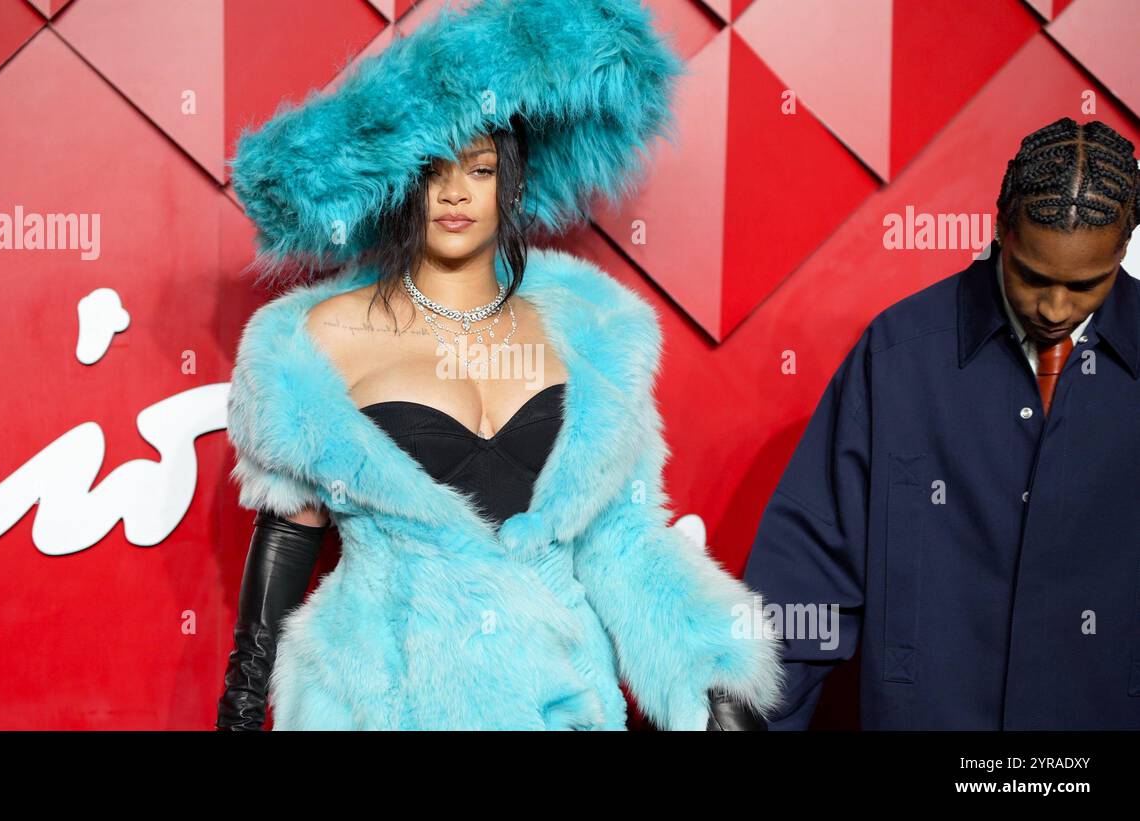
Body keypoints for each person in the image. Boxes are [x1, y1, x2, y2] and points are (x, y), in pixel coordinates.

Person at [214, 0, 783, 730]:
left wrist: (713, 685)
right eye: (435, 170)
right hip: (381, 700)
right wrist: (238, 705)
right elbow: (291, 528)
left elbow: (621, 543)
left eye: (479, 169)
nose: (456, 193)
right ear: (401, 184)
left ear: (508, 182)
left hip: (556, 700)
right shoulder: (318, 338)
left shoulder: (591, 332)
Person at [743, 117, 1140, 730]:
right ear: (1001, 228)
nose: (1055, 309)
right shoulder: (897, 355)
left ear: (1124, 248)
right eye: (1033, 276)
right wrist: (750, 707)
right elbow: (810, 573)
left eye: (1086, 285)